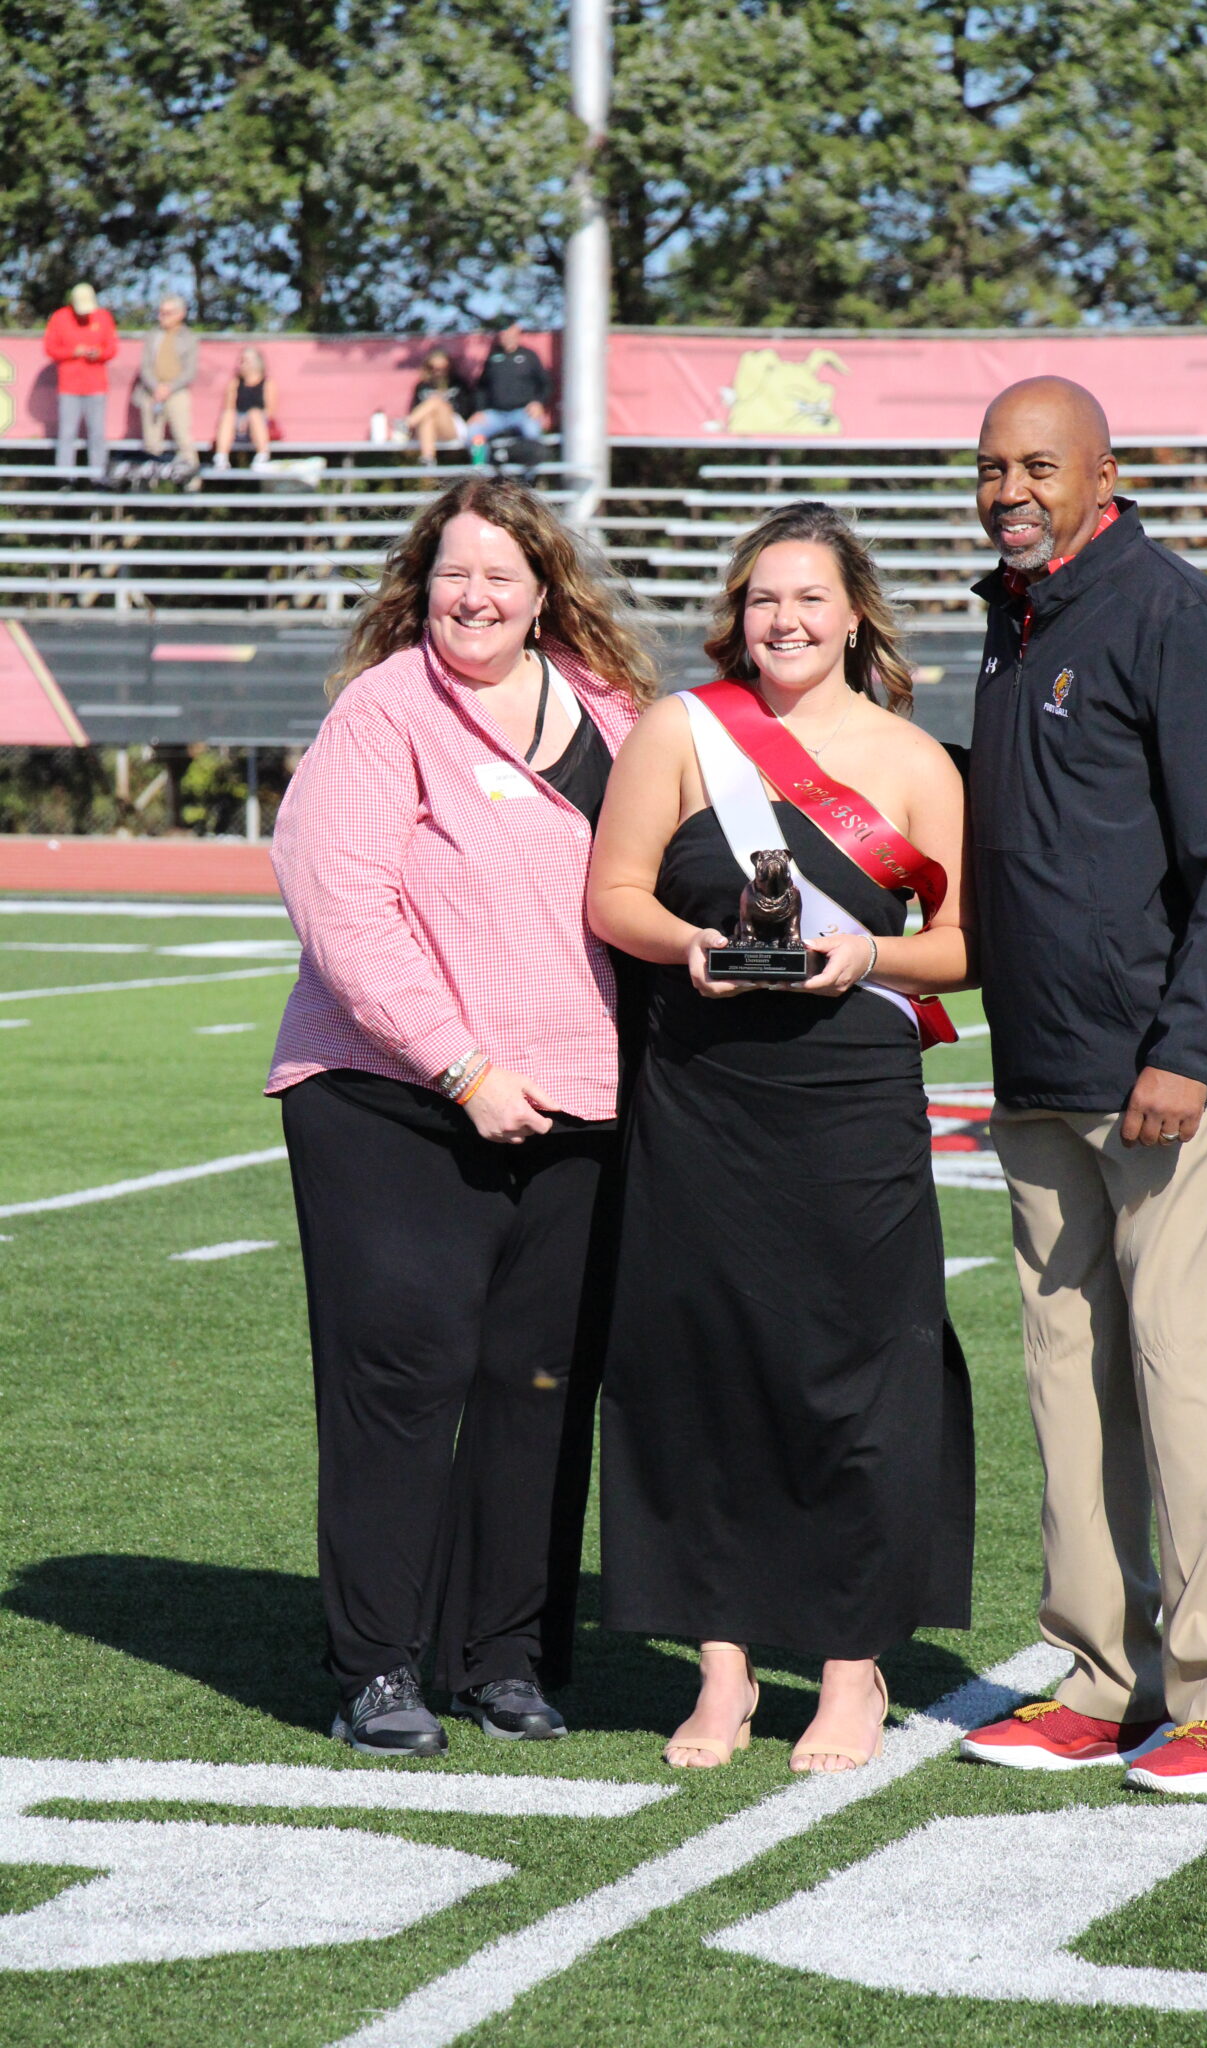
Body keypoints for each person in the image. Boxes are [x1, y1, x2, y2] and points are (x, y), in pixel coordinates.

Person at [267, 475, 654, 1757]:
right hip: (393, 1101)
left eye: (499, 575)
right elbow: (343, 906)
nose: (473, 597)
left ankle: (507, 1661)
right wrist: (461, 1065)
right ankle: (378, 1665)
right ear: (418, 588)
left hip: (579, 1106)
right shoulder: (385, 713)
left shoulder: (619, 715)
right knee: (400, 1376)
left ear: (547, 590)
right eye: (451, 576)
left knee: (537, 1386)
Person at [959, 377, 1207, 1795]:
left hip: (1158, 1071)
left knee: (1176, 1368)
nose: (1009, 490)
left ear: (1105, 473)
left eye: (1038, 465)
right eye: (989, 469)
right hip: (1040, 1069)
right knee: (1068, 1382)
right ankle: (1106, 1678)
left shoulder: (1170, 611)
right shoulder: (1010, 617)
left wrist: (1184, 1045)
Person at [588, 501, 975, 1775]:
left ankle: (853, 1667)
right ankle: (721, 1666)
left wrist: (870, 951)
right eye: (763, 599)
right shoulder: (678, 731)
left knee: (860, 1370)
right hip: (701, 1093)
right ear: (735, 615)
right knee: (702, 1369)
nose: (786, 621)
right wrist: (689, 943)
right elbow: (617, 895)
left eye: (809, 598)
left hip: (854, 1099)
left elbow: (966, 946)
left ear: (854, 611)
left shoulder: (917, 758)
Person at [43, 282, 118, 482]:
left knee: (97, 433)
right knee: (67, 433)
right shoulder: (60, 318)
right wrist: (72, 352)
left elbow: (112, 348)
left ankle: (99, 477)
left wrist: (98, 353)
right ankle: (65, 478)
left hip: (96, 386)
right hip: (69, 386)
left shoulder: (103, 317)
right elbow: (50, 349)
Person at [133, 295, 200, 474]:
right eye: (161, 313)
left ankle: (191, 482)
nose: (162, 317)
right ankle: (150, 483)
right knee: (151, 443)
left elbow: (190, 371)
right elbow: (145, 366)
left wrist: (169, 387)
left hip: (176, 392)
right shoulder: (153, 336)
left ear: (180, 314)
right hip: (151, 392)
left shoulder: (189, 337)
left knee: (183, 439)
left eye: (167, 313)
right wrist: (156, 387)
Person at [468, 318, 549, 461]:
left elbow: (545, 384)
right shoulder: (493, 357)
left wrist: (538, 402)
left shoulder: (529, 356)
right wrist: (478, 410)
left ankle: (528, 479)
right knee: (474, 432)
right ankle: (480, 474)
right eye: (503, 332)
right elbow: (482, 387)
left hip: (523, 413)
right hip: (496, 414)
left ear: (517, 331)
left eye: (509, 331)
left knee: (532, 434)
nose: (505, 335)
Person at [212, 348, 278, 471]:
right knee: (228, 415)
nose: (241, 364)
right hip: (238, 422)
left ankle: (262, 455)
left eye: (245, 361)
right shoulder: (235, 383)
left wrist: (250, 419)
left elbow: (270, 411)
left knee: (255, 414)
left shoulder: (267, 383)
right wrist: (241, 420)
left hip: (258, 423)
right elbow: (229, 406)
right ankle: (221, 457)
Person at [406, 348, 472, 468]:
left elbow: (466, 409)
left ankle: (405, 425)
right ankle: (428, 459)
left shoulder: (458, 384)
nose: (438, 372)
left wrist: (444, 407)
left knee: (436, 402)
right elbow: (415, 408)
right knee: (428, 417)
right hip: (427, 428)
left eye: (442, 368)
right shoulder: (422, 386)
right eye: (434, 368)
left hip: (451, 426)